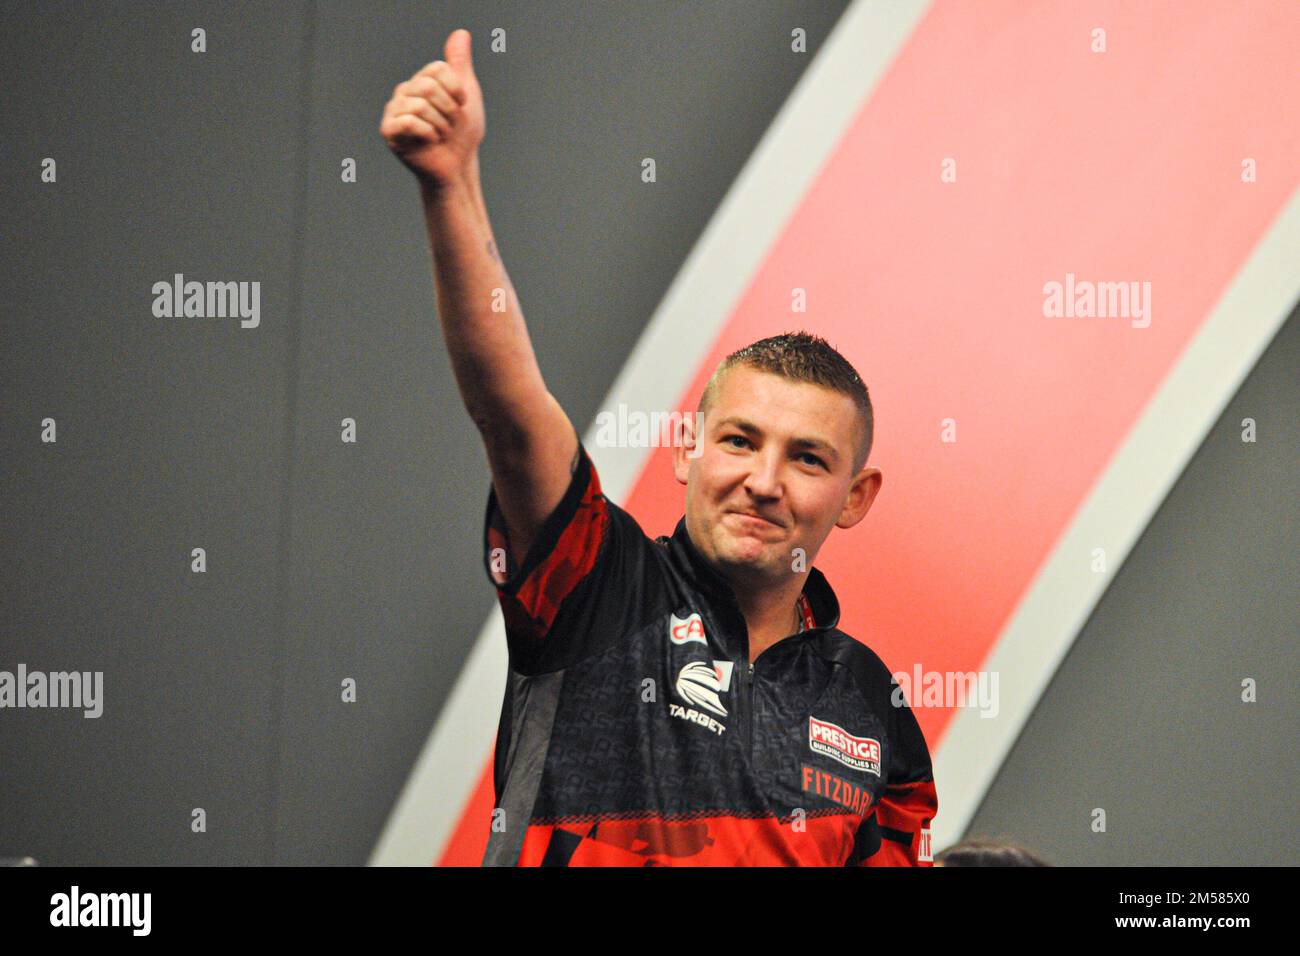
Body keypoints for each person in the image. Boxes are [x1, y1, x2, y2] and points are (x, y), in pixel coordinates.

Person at [381, 28, 937, 866]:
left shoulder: (871, 705)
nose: (763, 481)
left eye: (808, 458)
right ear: (686, 450)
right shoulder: (599, 584)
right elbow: (510, 409)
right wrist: (450, 185)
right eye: (740, 441)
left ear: (855, 498)